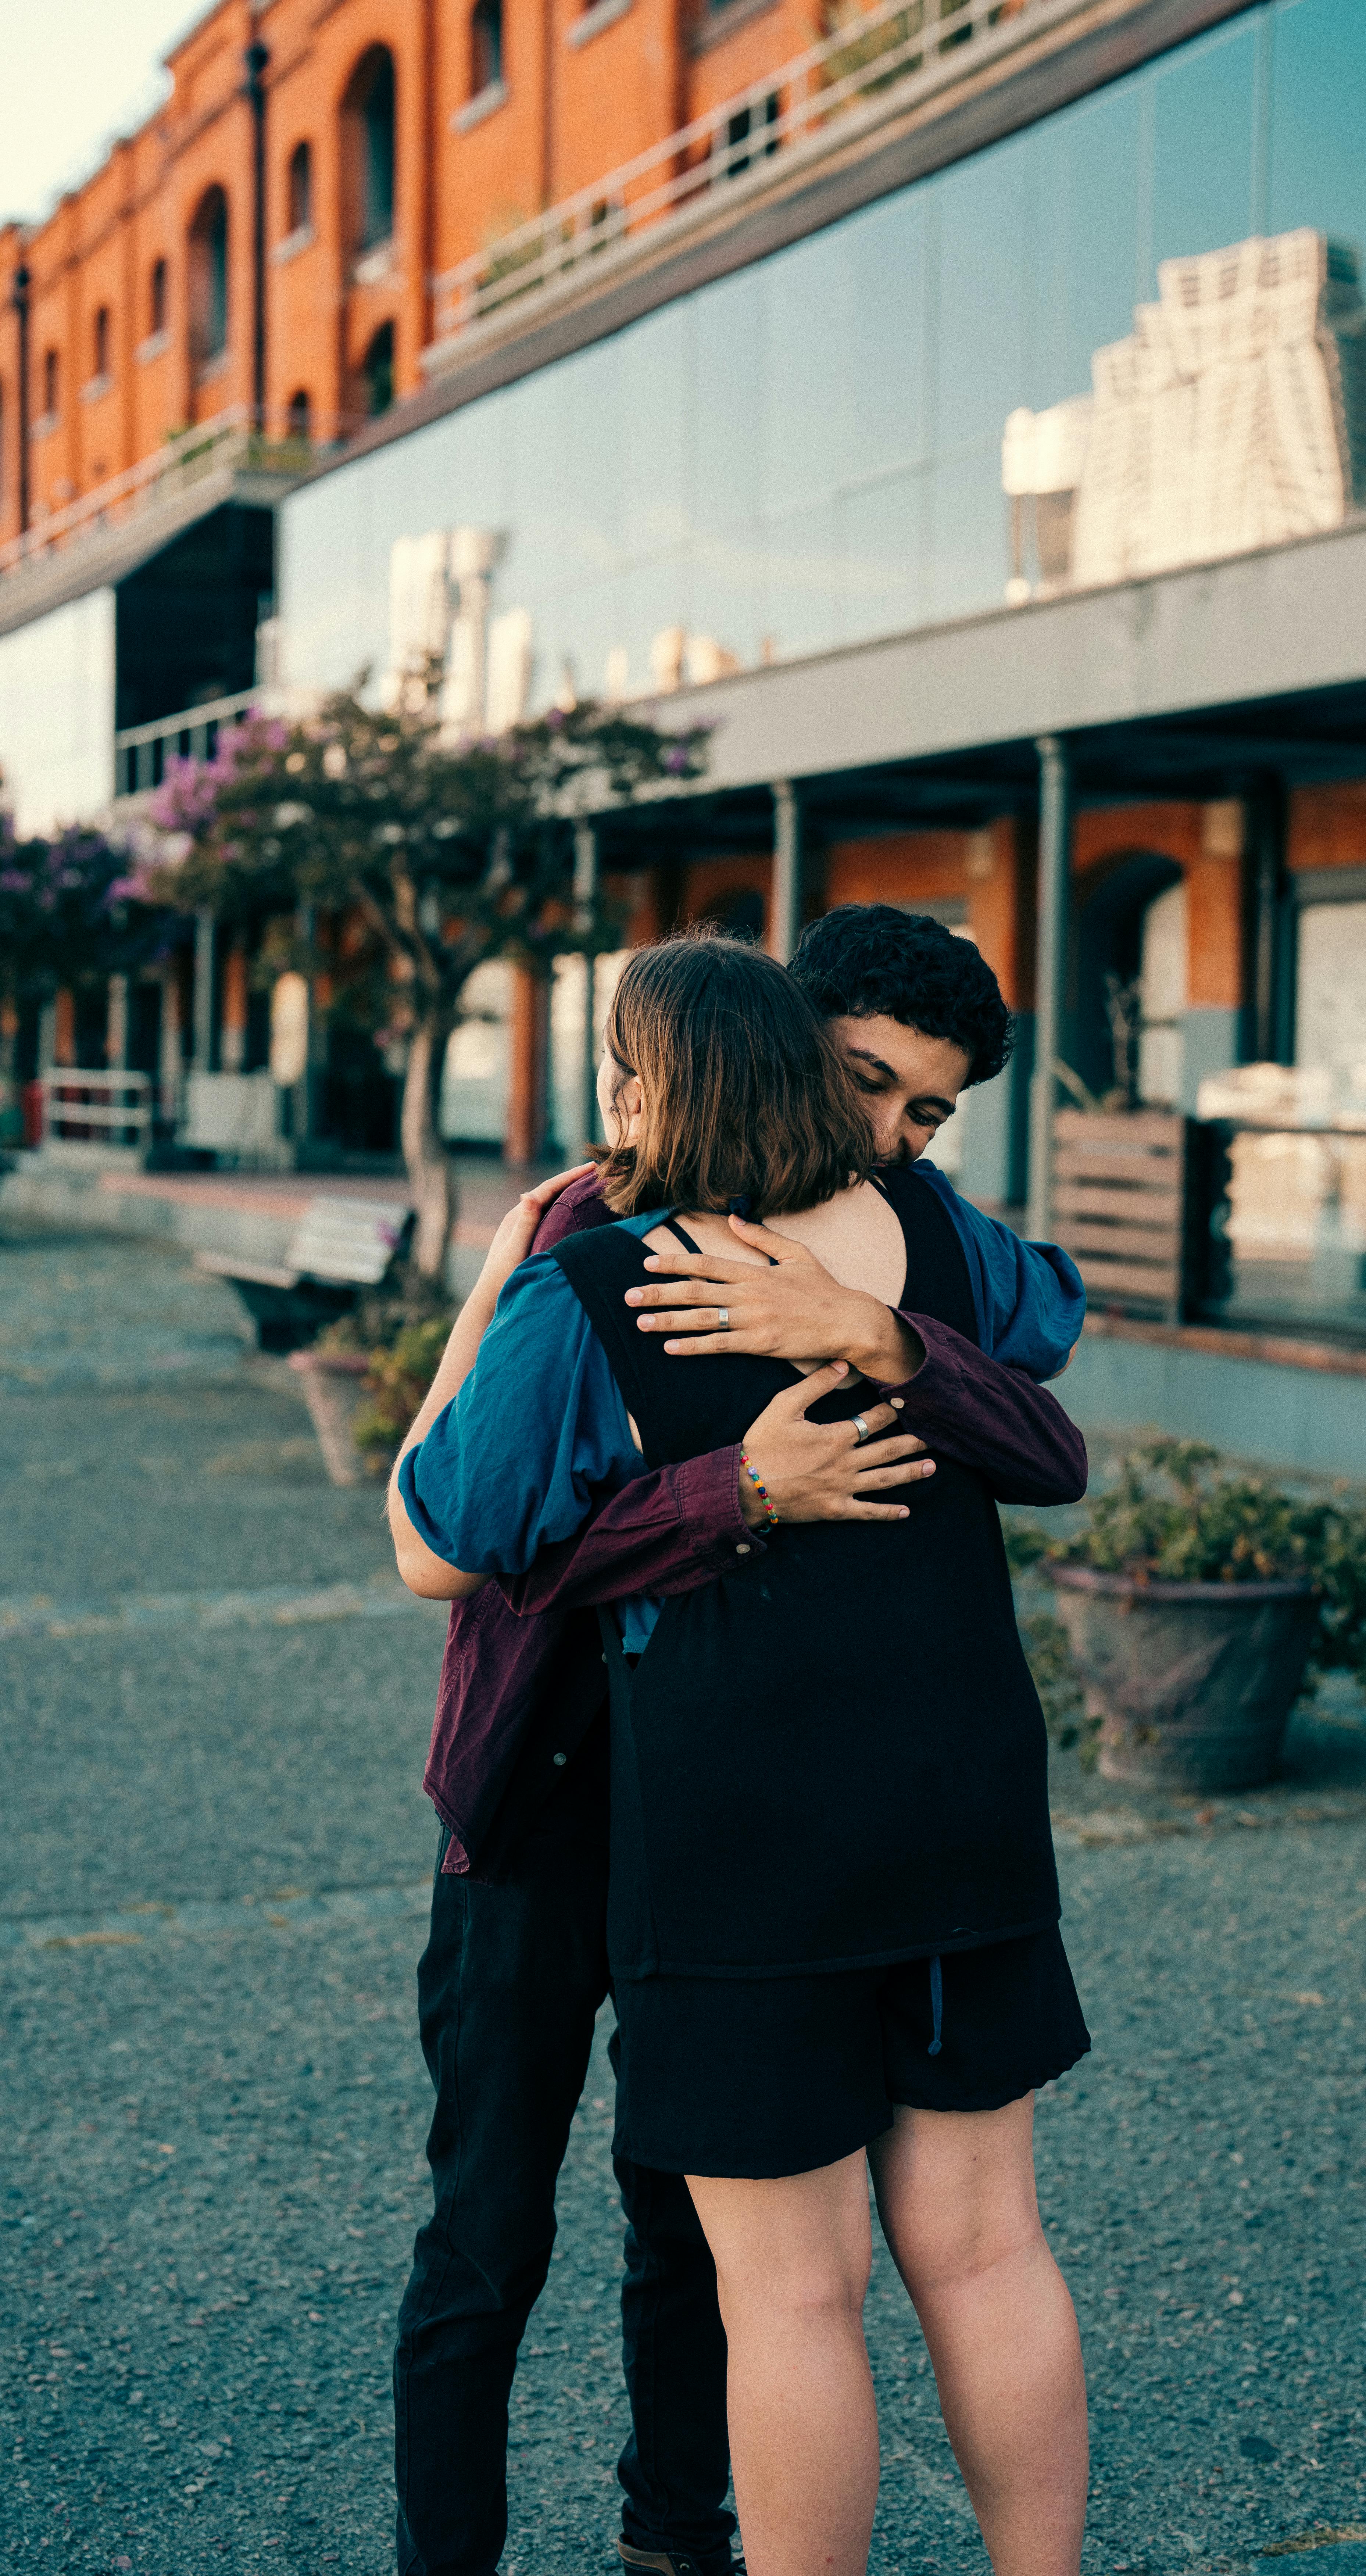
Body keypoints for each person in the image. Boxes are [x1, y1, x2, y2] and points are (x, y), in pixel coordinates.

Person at [391, 907, 1088, 2576]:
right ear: (776, 1038)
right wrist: (760, 1462)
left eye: (918, 1112)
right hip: (923, 1805)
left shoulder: (605, 1273)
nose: (882, 1134)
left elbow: (441, 1537)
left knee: (785, 2289)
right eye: (862, 1085)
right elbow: (1050, 1401)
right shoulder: (903, 1231)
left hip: (737, 1826)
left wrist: (861, 1336)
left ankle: (675, 2537)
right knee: (981, 2254)